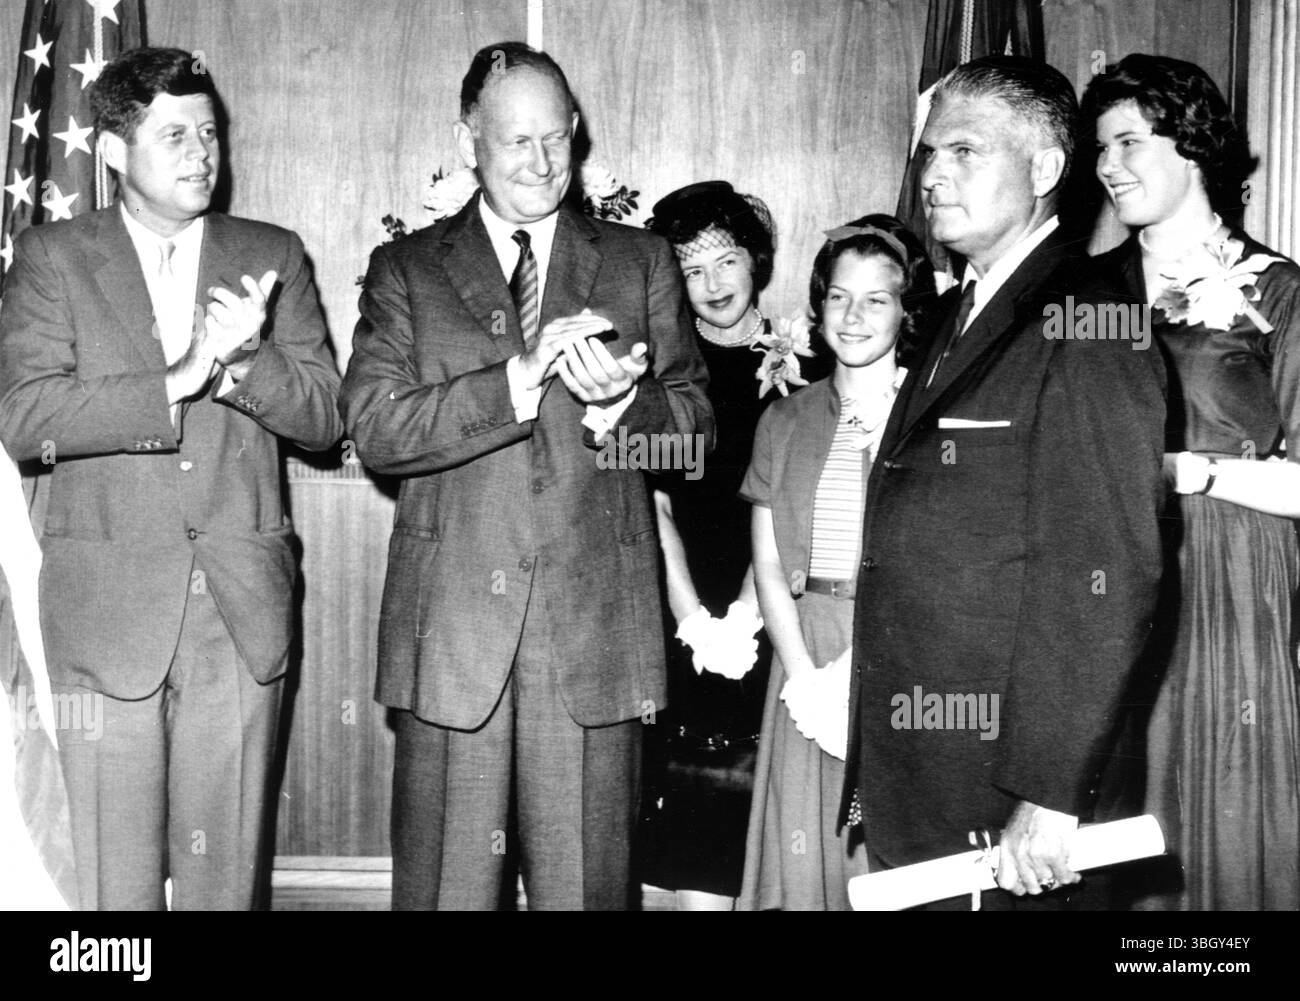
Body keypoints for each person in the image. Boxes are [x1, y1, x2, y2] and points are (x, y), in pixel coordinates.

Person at [339, 41, 712, 911]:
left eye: (558, 139)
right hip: (454, 635)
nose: (543, 164)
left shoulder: (639, 259)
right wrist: (516, 380)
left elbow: (693, 438)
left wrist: (626, 410)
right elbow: (378, 430)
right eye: (517, 143)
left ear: (577, 134)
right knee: (445, 894)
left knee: (588, 892)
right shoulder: (409, 269)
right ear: (468, 140)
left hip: (592, 636)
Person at [0, 47, 343, 910]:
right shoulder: (51, 258)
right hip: (106, 614)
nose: (202, 152)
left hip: (238, 613)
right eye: (174, 135)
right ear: (113, 152)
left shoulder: (272, 254)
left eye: (211, 131)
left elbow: (327, 420)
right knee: (116, 889)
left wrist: (241, 369)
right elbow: (25, 417)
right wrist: (175, 380)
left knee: (224, 883)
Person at [843, 55, 1168, 908]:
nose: (934, 176)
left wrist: (1055, 791)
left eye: (965, 152)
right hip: (929, 772)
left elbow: (1105, 572)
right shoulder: (957, 308)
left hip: (1014, 797)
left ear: (1048, 169)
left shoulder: (1093, 317)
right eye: (927, 155)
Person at [1085, 54, 1300, 911]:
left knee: (1228, 806)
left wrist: (1196, 471)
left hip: (1234, 579)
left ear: (1195, 146)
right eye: (1100, 147)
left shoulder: (1281, 291)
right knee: (1121, 810)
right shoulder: (1082, 294)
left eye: (1130, 141)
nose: (1109, 166)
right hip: (1107, 574)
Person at [738, 215, 934, 910]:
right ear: (817, 305)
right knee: (808, 850)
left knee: (883, 856)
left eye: (876, 298)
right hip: (805, 657)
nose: (853, 316)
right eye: (838, 297)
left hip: (898, 651)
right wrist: (805, 682)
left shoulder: (929, 417)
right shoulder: (784, 419)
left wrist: (855, 674)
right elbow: (766, 563)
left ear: (907, 312)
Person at [638, 181, 786, 908]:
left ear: (754, 260)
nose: (713, 284)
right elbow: (652, 500)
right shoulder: (663, 373)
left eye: (725, 260)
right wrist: (694, 619)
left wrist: (748, 619)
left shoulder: (809, 363)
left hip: (772, 613)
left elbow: (798, 506)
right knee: (656, 844)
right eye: (691, 271)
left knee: (731, 850)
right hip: (673, 611)